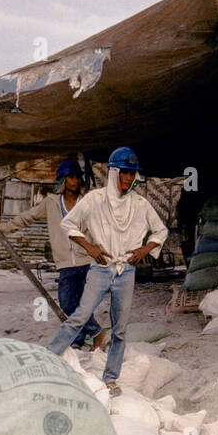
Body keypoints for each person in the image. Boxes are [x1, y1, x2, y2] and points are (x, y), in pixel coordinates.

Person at [46, 146, 168, 397]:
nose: (128, 178)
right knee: (79, 316)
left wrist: (146, 249)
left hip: (126, 272)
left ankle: (110, 378)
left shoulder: (141, 204)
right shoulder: (95, 199)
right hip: (101, 269)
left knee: (120, 328)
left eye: (132, 174)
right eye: (124, 173)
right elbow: (68, 224)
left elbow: (161, 231)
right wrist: (89, 247)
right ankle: (48, 360)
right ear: (113, 173)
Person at [1, 158, 107, 350]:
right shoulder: (51, 203)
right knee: (67, 304)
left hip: (86, 261)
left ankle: (78, 339)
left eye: (77, 177)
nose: (75, 181)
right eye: (71, 177)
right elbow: (28, 216)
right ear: (63, 180)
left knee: (84, 304)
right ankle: (97, 333)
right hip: (65, 263)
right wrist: (5, 229)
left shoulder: (88, 203)